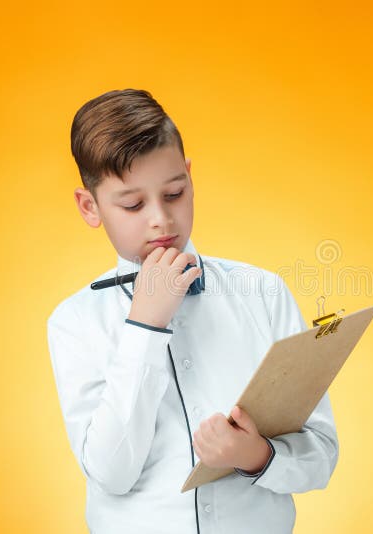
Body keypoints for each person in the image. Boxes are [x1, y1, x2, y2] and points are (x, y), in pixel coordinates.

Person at [46, 88, 338, 534]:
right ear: (91, 207)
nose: (160, 219)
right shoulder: (74, 323)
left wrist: (256, 456)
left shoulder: (263, 294)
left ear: (190, 178)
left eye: (174, 193)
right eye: (133, 204)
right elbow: (111, 474)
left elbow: (321, 455)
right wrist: (145, 326)